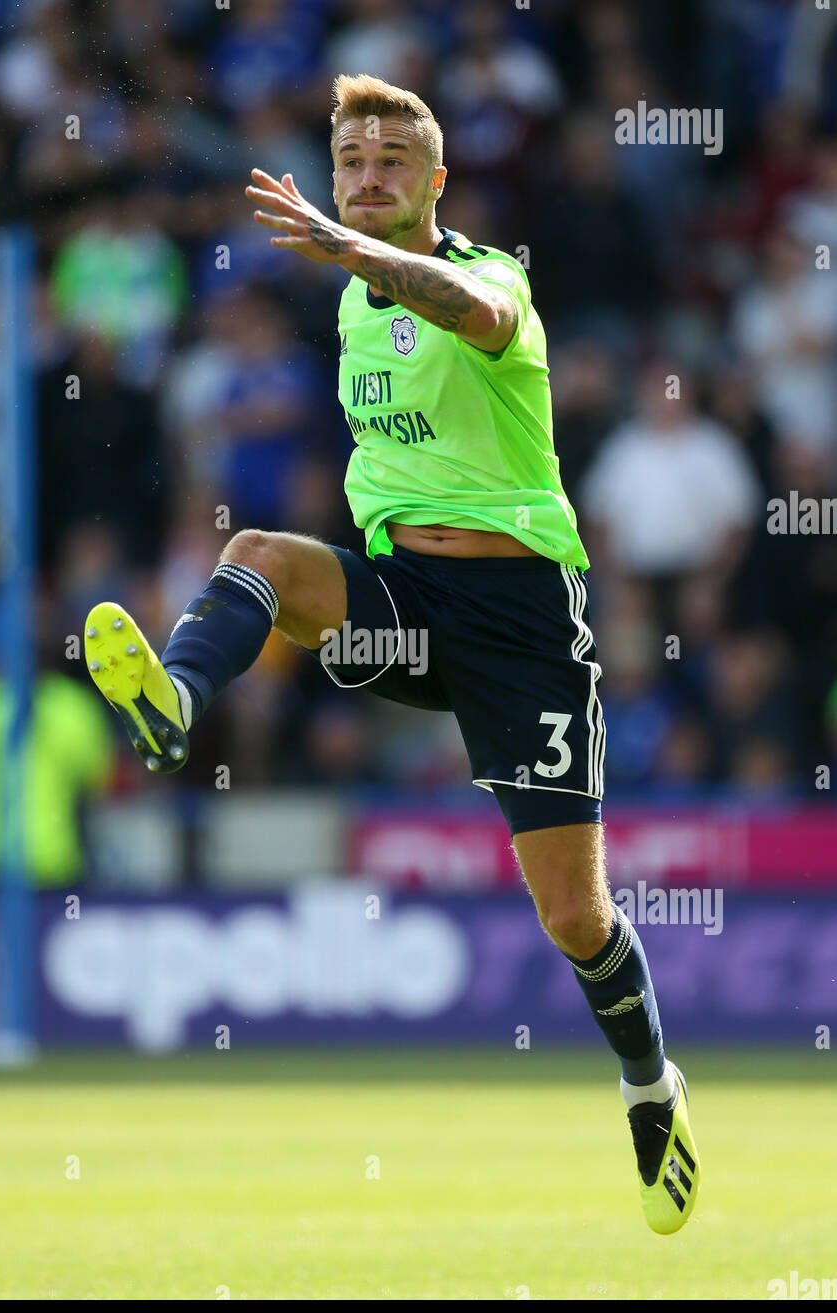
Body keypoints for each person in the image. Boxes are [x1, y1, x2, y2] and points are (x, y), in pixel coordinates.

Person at [83, 74, 699, 1234]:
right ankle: (173, 694)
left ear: (433, 182)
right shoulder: (352, 308)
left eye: (389, 163)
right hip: (404, 601)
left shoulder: (487, 274)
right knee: (262, 550)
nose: (366, 179)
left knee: (573, 916)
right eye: (349, 164)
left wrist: (342, 249)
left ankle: (648, 1083)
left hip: (520, 618)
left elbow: (473, 312)